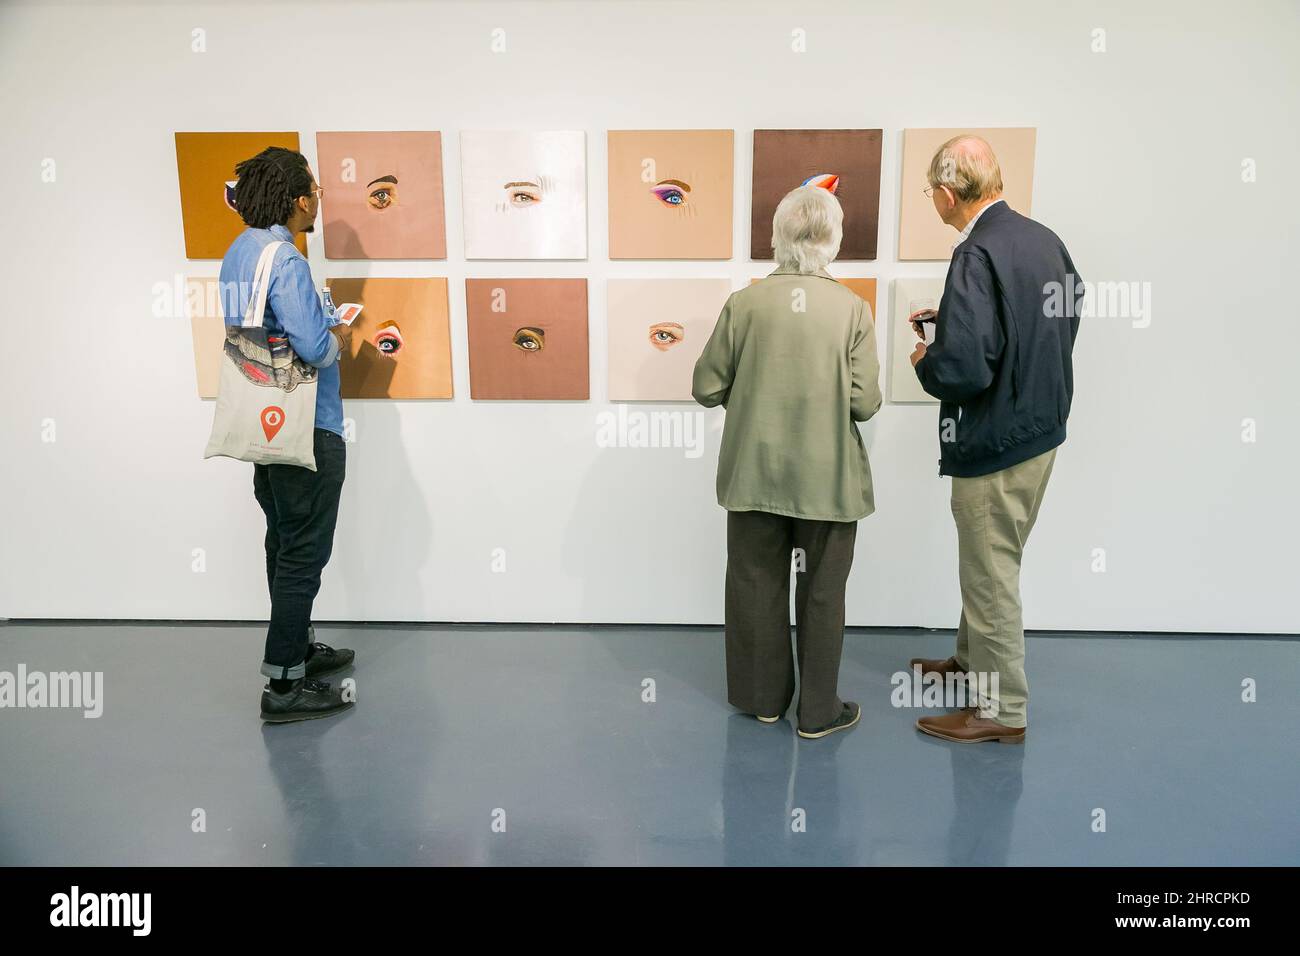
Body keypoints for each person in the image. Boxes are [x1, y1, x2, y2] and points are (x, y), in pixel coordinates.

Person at [908, 135, 1082, 744]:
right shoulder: (1043, 240)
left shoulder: (974, 253)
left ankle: (1002, 709)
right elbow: (1061, 314)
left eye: (930, 190)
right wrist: (956, 322)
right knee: (992, 560)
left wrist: (930, 356)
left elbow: (966, 371)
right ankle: (968, 666)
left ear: (948, 193)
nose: (931, 198)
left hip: (997, 441)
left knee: (991, 572)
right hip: (1042, 430)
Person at [693, 185, 883, 739]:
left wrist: (752, 390)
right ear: (834, 241)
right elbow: (865, 403)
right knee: (823, 593)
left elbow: (706, 387)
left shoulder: (744, 304)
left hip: (756, 472)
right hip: (828, 479)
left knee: (756, 584)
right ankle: (819, 712)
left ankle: (763, 700)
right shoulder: (852, 309)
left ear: (778, 237)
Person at [219, 147, 356, 723]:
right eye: (316, 192)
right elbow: (314, 347)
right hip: (307, 427)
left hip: (263, 423)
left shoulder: (238, 252)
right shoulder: (288, 260)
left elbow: (250, 335)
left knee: (282, 540)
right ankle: (283, 687)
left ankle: (296, 651)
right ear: (298, 199)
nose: (318, 201)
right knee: (305, 551)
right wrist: (338, 336)